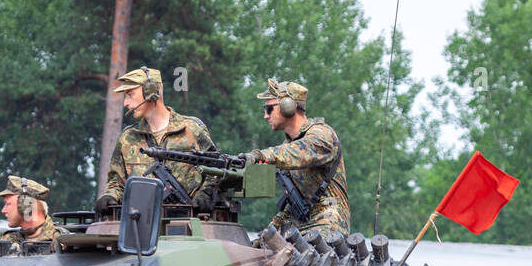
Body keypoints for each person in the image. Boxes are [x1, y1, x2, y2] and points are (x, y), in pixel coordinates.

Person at [96, 66, 218, 217]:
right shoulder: (128, 138)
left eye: (130, 94)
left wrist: (204, 194)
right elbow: (117, 183)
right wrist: (110, 197)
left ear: (151, 92)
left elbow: (216, 171)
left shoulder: (191, 130)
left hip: (189, 226)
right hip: (141, 226)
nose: (126, 103)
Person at [241, 78, 349, 237]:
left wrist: (258, 156)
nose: (265, 115)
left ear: (288, 107)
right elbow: (292, 205)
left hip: (328, 225)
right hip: (301, 226)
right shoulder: (288, 146)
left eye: (269, 109)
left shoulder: (322, 135)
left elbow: (295, 153)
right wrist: (268, 233)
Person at [0, 176, 61, 244]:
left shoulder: (61, 242)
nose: (3, 210)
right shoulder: (9, 240)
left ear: (26, 205)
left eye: (8, 204)